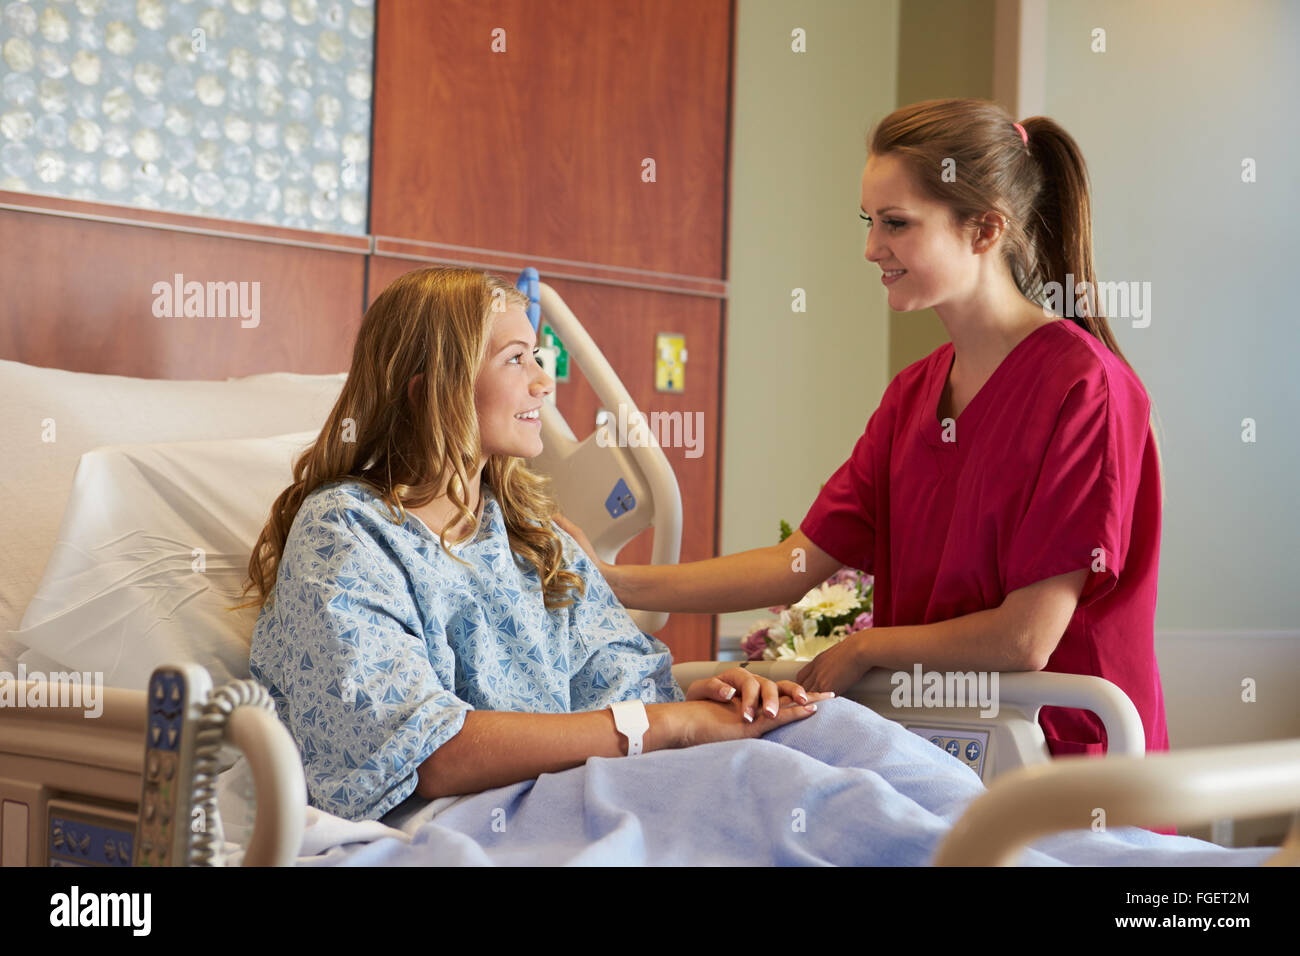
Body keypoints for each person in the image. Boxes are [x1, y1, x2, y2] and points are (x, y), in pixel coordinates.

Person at [561, 98, 1171, 781]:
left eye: (897, 224)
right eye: (869, 221)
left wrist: (867, 648)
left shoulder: (1085, 388)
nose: (872, 248)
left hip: (1064, 754)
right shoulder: (914, 395)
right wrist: (608, 579)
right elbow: (794, 564)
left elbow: (1026, 638)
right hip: (943, 751)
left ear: (984, 230)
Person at [238, 267, 833, 823]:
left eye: (539, 357)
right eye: (516, 359)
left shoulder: (533, 537)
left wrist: (710, 699)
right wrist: (672, 723)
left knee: (827, 741)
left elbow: (624, 687)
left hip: (582, 786)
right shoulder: (345, 531)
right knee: (774, 806)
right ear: (429, 389)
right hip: (477, 818)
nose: (544, 382)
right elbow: (425, 753)